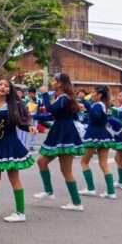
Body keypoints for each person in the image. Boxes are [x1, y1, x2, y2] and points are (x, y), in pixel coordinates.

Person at [0, 79, 36, 222]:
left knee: (14, 178)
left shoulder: (14, 106)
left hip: (10, 144)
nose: (3, 87)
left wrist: (29, 127)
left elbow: (21, 123)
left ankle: (20, 213)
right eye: (0, 84)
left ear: (9, 90)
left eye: (6, 86)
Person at [32, 74, 85, 211]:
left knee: (66, 171)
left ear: (60, 83)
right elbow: (52, 115)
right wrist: (32, 116)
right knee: (42, 162)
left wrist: (44, 95)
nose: (52, 82)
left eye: (54, 80)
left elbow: (51, 110)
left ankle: (77, 203)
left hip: (65, 134)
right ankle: (49, 191)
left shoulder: (64, 98)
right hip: (59, 131)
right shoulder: (61, 98)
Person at [77, 86, 117, 199]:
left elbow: (96, 115)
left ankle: (90, 189)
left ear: (99, 95)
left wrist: (85, 106)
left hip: (93, 134)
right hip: (103, 134)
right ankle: (111, 191)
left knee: (84, 162)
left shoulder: (98, 105)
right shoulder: (103, 105)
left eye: (94, 92)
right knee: (103, 163)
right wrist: (86, 103)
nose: (91, 94)